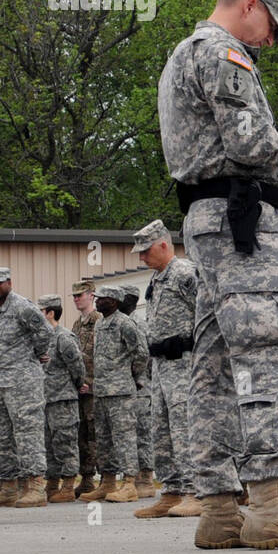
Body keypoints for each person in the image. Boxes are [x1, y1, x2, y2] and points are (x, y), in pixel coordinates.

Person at [157, 0, 278, 549]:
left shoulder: (180, 55)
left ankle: (218, 511)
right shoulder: (224, 53)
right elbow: (247, 144)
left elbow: (223, 147)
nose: (271, 42)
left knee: (212, 362)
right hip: (240, 224)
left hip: (206, 222)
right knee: (269, 351)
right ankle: (268, 506)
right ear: (249, 6)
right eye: (272, 28)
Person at [133, 220, 202, 518]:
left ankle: (196, 491)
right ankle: (172, 491)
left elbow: (207, 315)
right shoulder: (158, 279)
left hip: (185, 363)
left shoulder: (185, 273)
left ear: (163, 244)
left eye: (146, 251)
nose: (141, 258)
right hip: (161, 366)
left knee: (184, 428)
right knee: (161, 429)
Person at [0, 267, 50, 509]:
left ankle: (36, 486)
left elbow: (45, 332)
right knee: (1, 436)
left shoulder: (22, 306)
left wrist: (35, 354)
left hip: (23, 381)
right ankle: (9, 486)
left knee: (27, 433)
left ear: (9, 282)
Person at [80, 287, 144, 504]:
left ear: (115, 301)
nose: (98, 302)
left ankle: (129, 484)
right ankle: (107, 482)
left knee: (124, 437)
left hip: (121, 391)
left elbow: (141, 352)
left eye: (103, 299)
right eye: (97, 299)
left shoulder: (125, 323)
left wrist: (131, 375)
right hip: (101, 391)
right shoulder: (100, 324)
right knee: (104, 439)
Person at [38, 294, 84, 503]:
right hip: (45, 400)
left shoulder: (64, 337)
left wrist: (75, 385)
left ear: (51, 313)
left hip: (63, 400)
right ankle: (52, 483)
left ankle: (68, 485)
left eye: (41, 311)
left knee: (65, 442)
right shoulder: (40, 339)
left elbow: (77, 367)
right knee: (48, 444)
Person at [115, 286, 156, 497]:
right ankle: (133, 477)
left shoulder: (138, 324)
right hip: (127, 387)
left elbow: (145, 356)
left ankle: (146, 479)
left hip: (141, 387)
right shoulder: (121, 322)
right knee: (129, 434)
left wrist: (137, 376)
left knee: (142, 433)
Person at [69, 280, 100, 496]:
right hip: (79, 387)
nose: (76, 299)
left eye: (80, 295)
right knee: (81, 435)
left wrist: (91, 382)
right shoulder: (77, 325)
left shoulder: (99, 321)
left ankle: (104, 478)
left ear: (92, 296)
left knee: (95, 434)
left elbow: (103, 357)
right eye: (74, 296)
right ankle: (87, 478)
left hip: (95, 388)